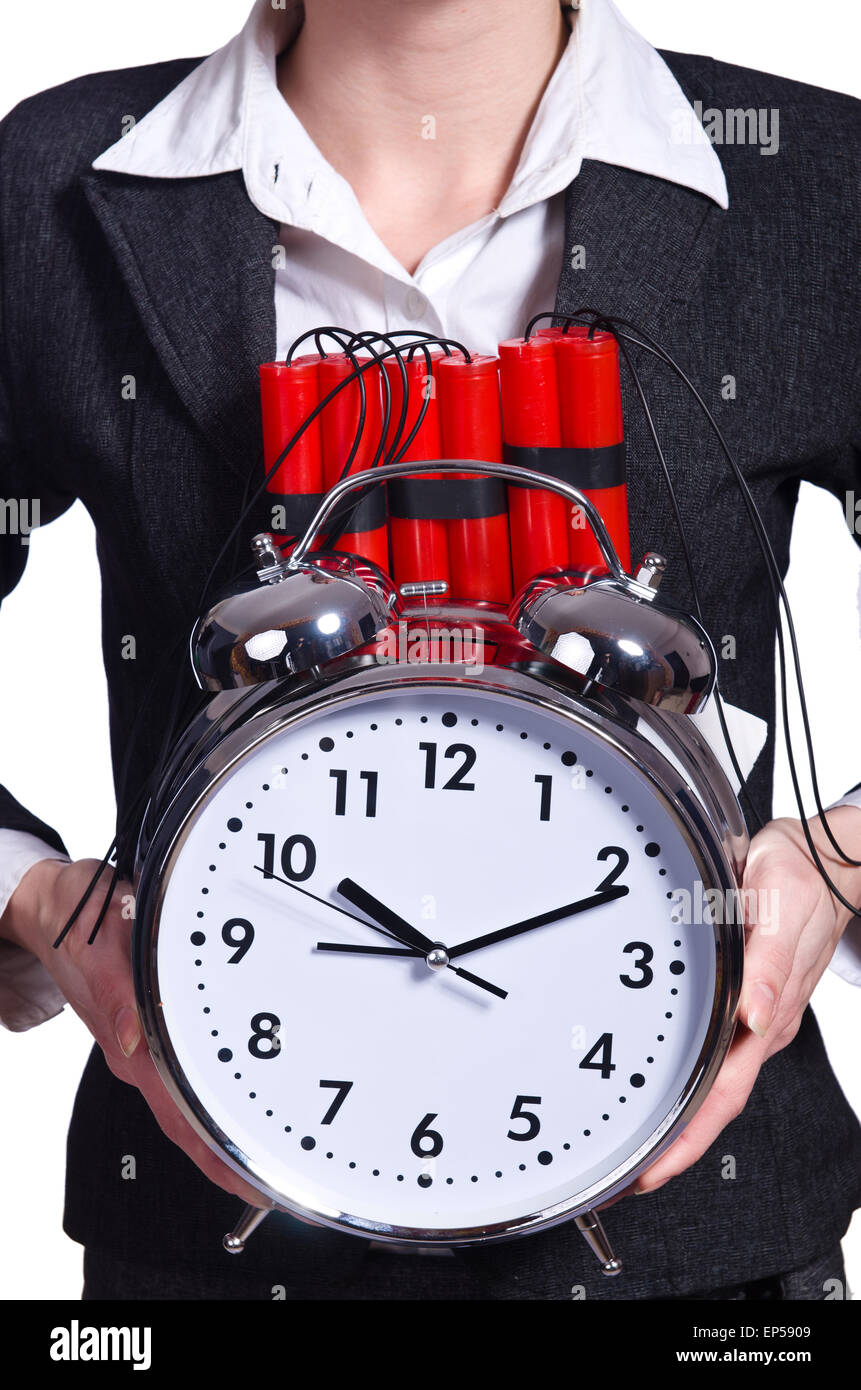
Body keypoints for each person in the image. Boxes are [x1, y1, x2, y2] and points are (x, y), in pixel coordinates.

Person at [1, 0, 859, 1301]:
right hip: (205, 1247)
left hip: (704, 1272)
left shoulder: (811, 176)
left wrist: (835, 862)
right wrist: (31, 897)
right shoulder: (60, 177)